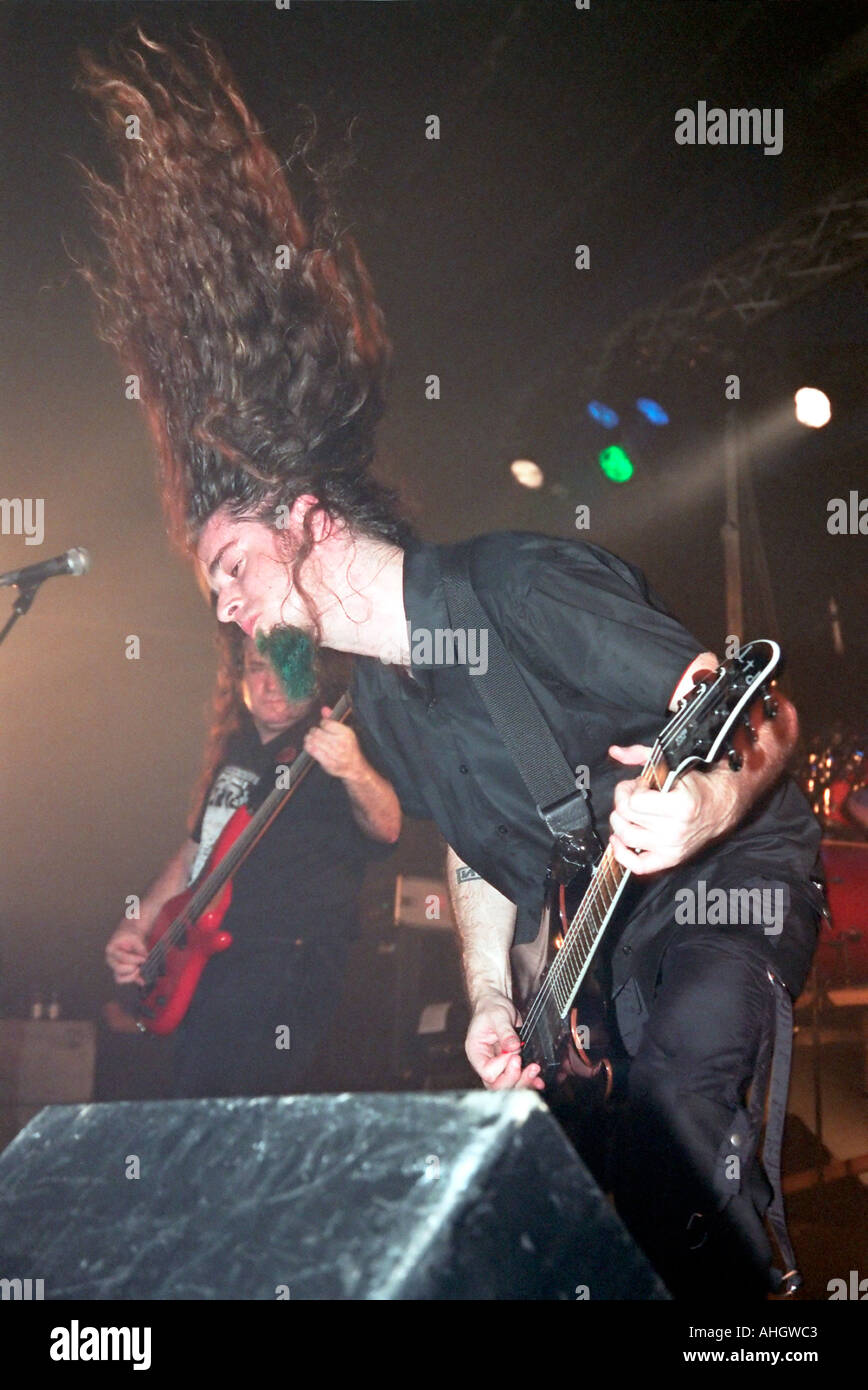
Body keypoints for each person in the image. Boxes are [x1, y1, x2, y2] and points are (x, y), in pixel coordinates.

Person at [79, 30, 823, 1295]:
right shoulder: (385, 709)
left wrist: (703, 798)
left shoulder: (518, 585)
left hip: (728, 877)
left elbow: (755, 710)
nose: (228, 605)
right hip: (598, 929)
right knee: (586, 1196)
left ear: (311, 519)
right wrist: (490, 995)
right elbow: (484, 851)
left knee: (683, 1122)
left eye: (234, 570)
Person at [105, 626, 401, 1097]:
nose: (271, 684)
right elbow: (193, 852)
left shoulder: (333, 742)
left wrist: (354, 769)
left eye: (286, 670)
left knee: (246, 1116)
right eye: (257, 668)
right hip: (209, 962)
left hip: (286, 961)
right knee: (190, 1110)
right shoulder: (236, 750)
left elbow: (388, 827)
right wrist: (136, 925)